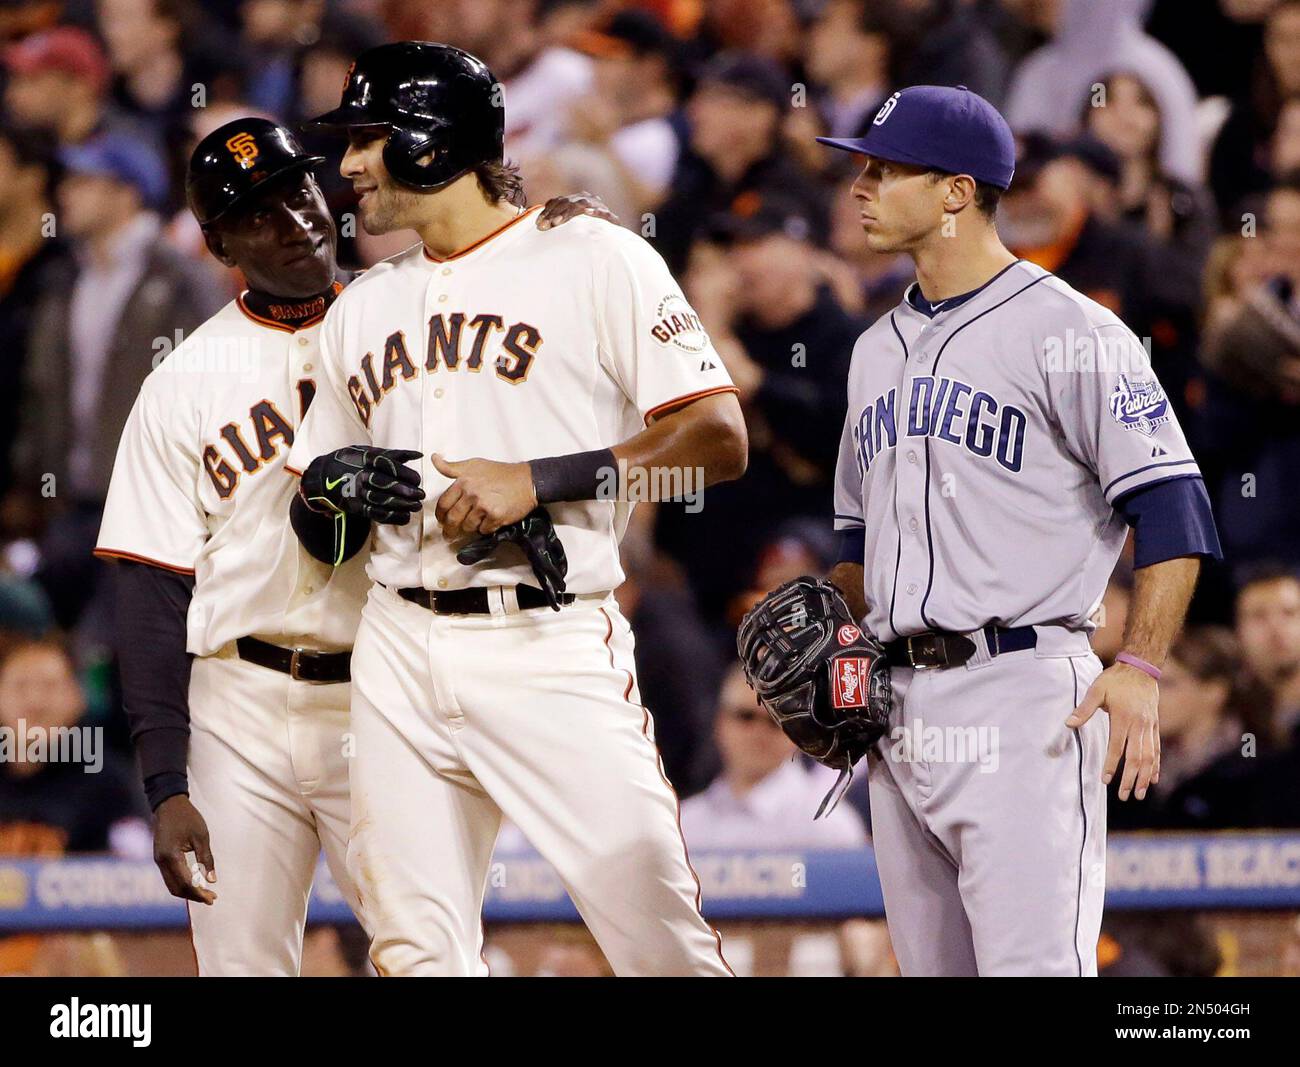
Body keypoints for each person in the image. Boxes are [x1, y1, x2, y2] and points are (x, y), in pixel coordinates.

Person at [93, 117, 612, 976]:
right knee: (242, 966)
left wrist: (569, 241)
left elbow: (505, 268)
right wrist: (166, 784)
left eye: (297, 193)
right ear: (218, 241)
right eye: (257, 214)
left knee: (432, 956)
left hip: (385, 687)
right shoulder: (182, 381)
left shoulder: (406, 318)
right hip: (239, 702)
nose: (294, 221)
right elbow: (149, 590)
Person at [286, 42, 747, 977]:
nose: (347, 168)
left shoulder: (594, 256)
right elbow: (317, 522)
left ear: (429, 141)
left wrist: (541, 475)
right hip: (396, 643)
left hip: (547, 636)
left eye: (367, 140)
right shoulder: (360, 308)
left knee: (657, 934)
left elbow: (715, 435)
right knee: (415, 950)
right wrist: (332, 495)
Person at [815, 85, 1221, 976]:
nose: (861, 187)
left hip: (1023, 695)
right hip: (894, 707)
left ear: (958, 191)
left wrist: (1143, 666)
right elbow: (855, 540)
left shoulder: (1071, 329)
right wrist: (838, 643)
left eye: (887, 170)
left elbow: (1174, 508)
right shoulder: (872, 347)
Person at [12, 129, 220, 632]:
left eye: (87, 181)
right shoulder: (65, 278)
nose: (67, 192)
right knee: (59, 650)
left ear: (128, 191)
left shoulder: (180, 279)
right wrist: (33, 480)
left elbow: (215, 390)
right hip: (72, 503)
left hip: (149, 507)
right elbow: (42, 392)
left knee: (131, 654)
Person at [681, 664, 868, 850]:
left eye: (775, 721)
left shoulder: (829, 828)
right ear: (720, 721)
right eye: (746, 717)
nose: (758, 732)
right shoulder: (683, 823)